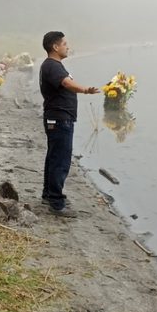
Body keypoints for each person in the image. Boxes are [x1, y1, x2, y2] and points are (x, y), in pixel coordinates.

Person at [39, 31, 101, 217]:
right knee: (60, 160)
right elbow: (67, 84)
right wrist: (85, 90)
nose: (68, 47)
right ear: (55, 47)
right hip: (59, 119)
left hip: (57, 118)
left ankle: (49, 194)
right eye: (65, 44)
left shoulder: (52, 65)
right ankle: (57, 203)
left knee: (53, 157)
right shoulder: (53, 66)